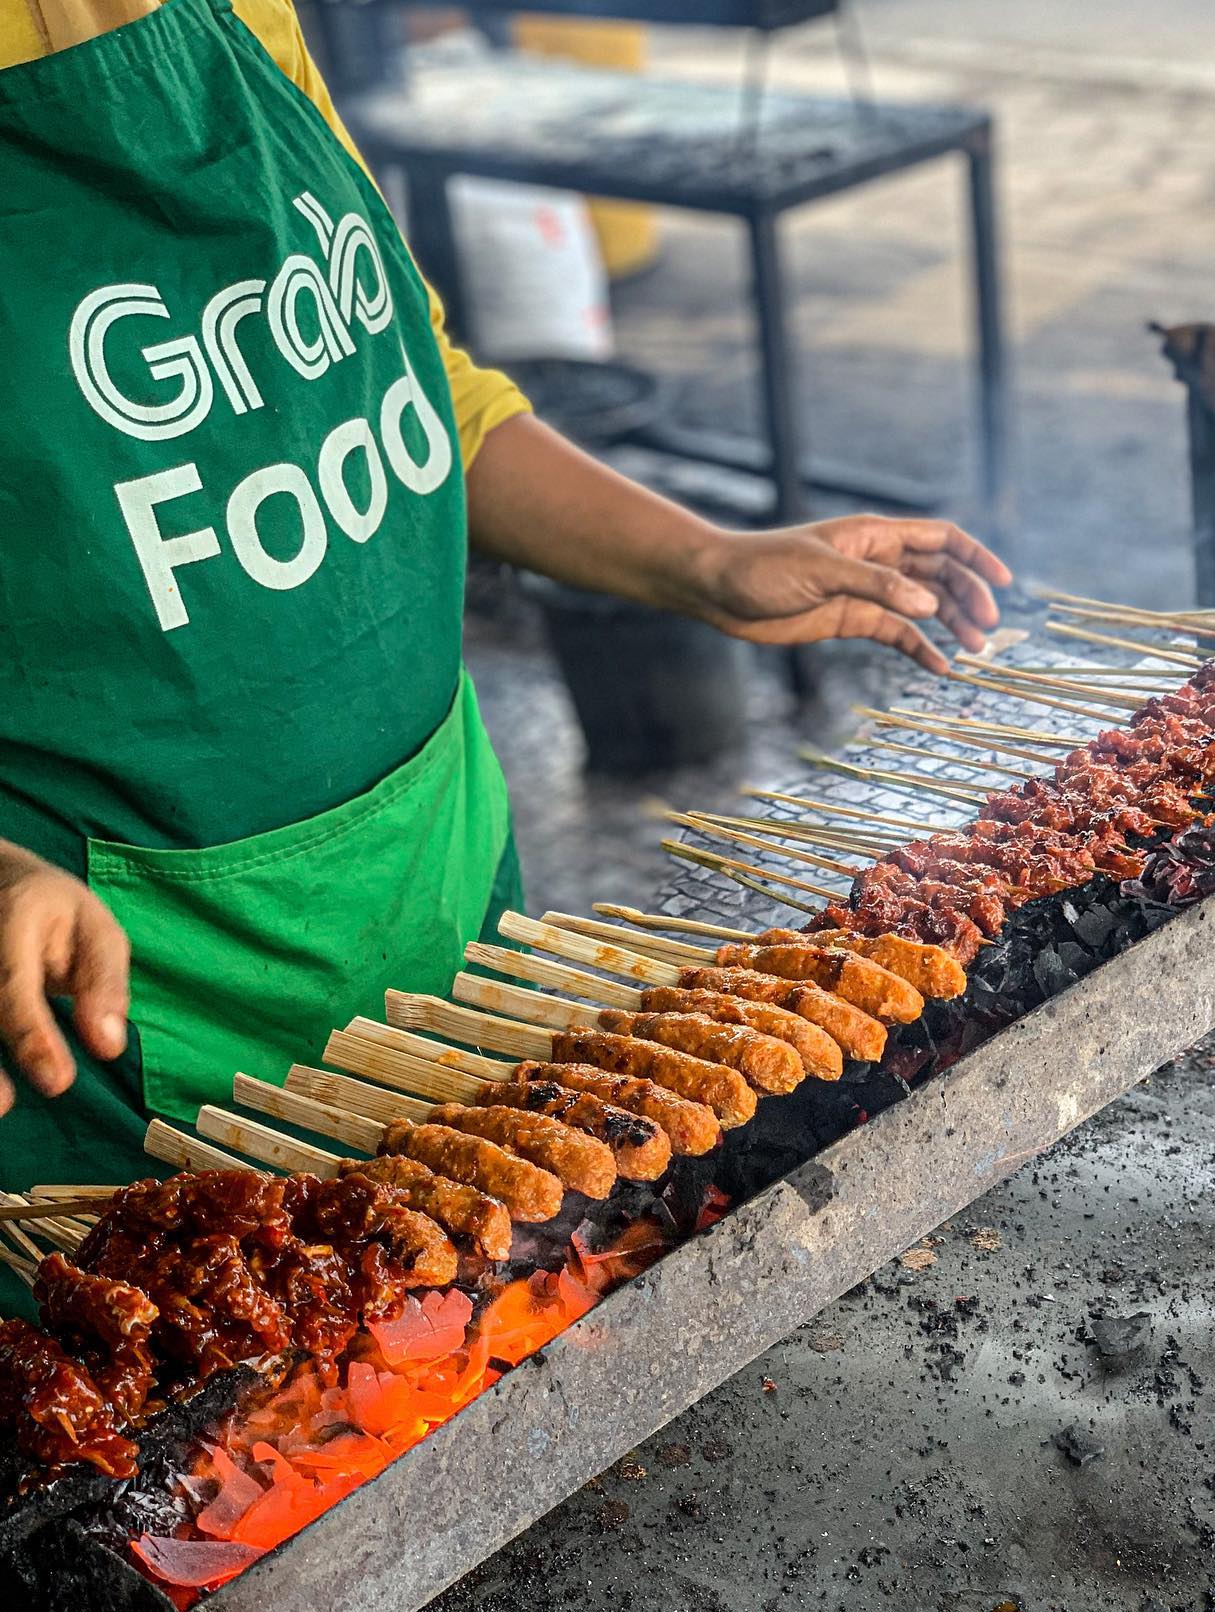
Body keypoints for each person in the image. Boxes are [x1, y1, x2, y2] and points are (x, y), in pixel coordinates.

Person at [0, 0, 1009, 1259]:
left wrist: (709, 563)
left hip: (439, 902)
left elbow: (411, 379)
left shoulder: (245, 19)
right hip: (130, 1024)